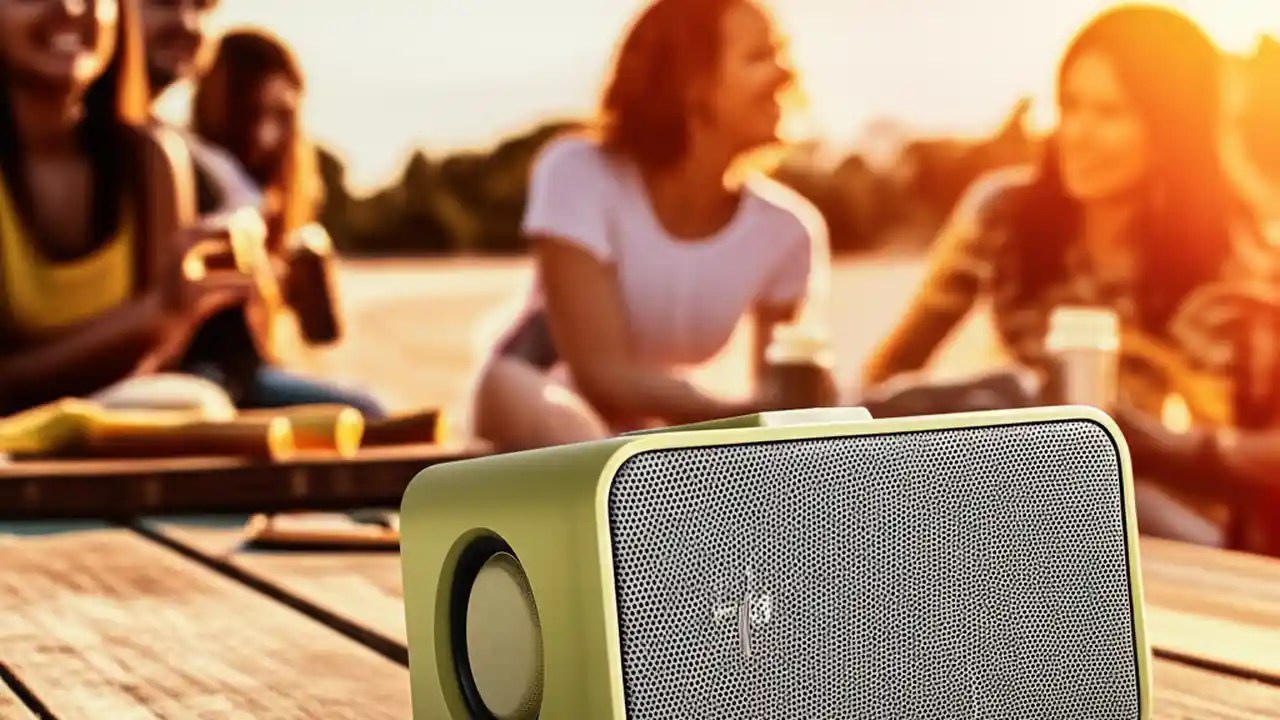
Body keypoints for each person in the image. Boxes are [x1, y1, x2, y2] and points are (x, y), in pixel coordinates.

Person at [861, 5, 1276, 546]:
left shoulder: (1246, 254)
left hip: (1183, 530)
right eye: (1070, 106)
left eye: (1109, 113)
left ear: (1173, 124)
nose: (1077, 133)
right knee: (999, 403)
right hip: (1027, 497)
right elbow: (888, 377)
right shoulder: (1004, 216)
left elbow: (1260, 458)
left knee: (1012, 402)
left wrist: (1149, 441)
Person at [472, 0, 832, 451]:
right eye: (759, 57)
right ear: (690, 82)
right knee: (583, 442)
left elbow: (786, 394)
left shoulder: (789, 230)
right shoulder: (577, 172)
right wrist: (738, 415)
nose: (787, 73)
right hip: (532, 392)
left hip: (647, 431)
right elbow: (600, 374)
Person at [0, 0, 233, 415]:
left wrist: (191, 306)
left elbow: (161, 366)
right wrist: (156, 315)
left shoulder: (152, 160)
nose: (71, 8)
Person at [185, 28, 386, 419]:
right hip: (212, 376)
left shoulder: (272, 195)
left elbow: (320, 335)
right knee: (366, 411)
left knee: (363, 404)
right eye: (250, 113)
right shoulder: (203, 170)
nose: (265, 134)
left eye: (281, 116)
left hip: (242, 373)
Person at [140, 0, 261, 222]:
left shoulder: (208, 165)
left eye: (202, 6)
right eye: (162, 2)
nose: (188, 24)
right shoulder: (70, 143)